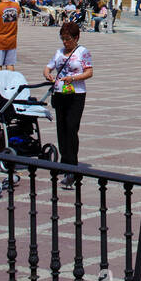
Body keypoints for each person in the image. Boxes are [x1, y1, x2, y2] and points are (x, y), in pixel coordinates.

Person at [44, 21, 93, 190]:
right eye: (63, 39)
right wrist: (47, 74)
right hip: (60, 93)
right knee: (61, 128)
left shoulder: (82, 52)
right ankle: (64, 161)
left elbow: (89, 72)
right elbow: (48, 67)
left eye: (68, 39)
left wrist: (73, 78)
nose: (65, 42)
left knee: (72, 128)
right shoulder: (59, 52)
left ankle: (72, 164)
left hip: (76, 94)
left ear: (76, 37)